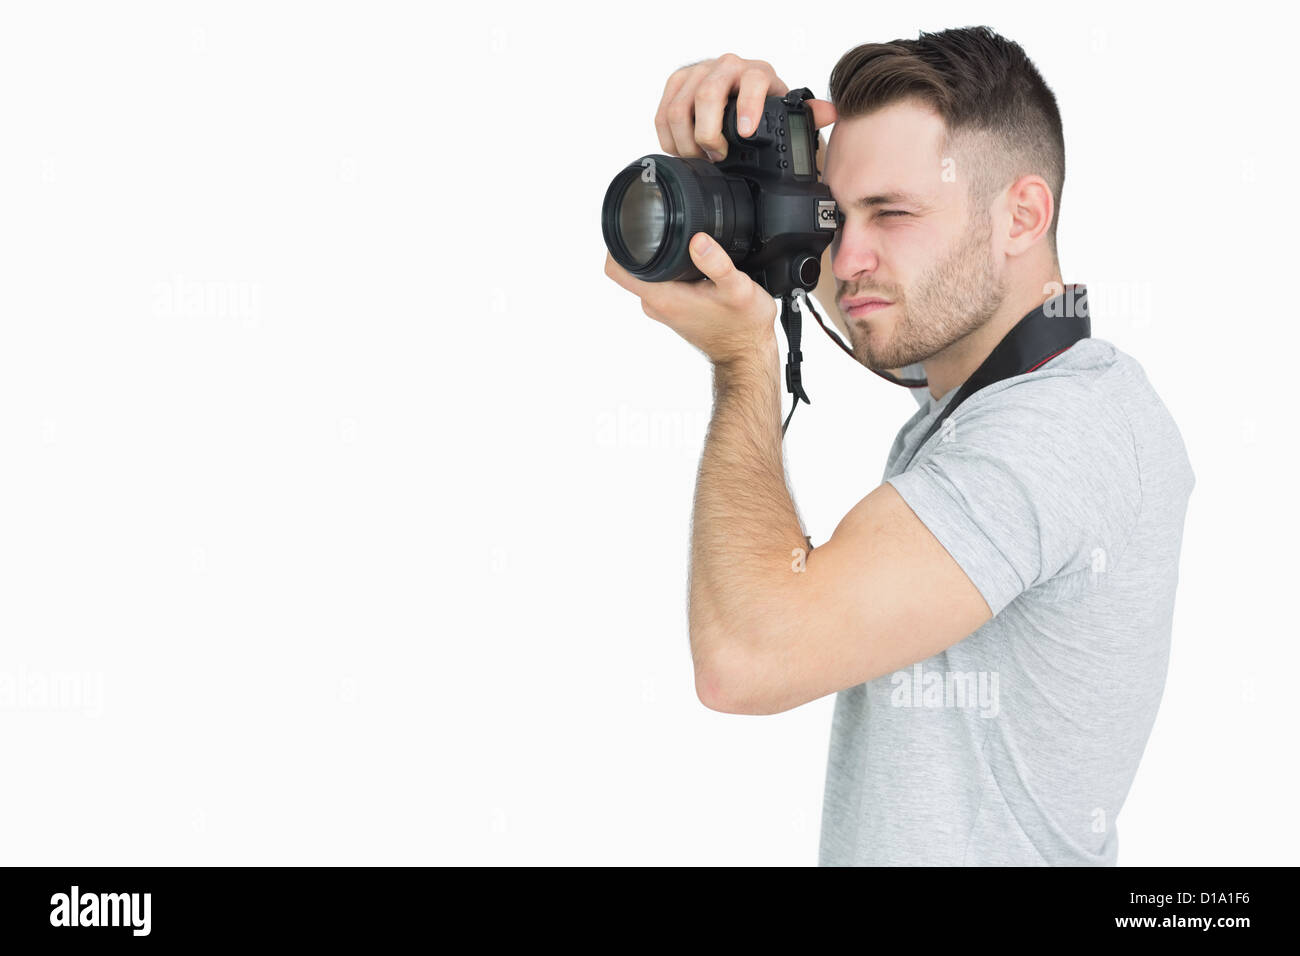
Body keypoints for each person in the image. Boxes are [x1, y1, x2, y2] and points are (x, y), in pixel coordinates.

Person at [603, 26, 1194, 866]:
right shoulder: (993, 394)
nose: (846, 258)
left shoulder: (1057, 430)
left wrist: (744, 360)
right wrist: (763, 139)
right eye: (835, 216)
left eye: (895, 212)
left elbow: (745, 658)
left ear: (1022, 214)